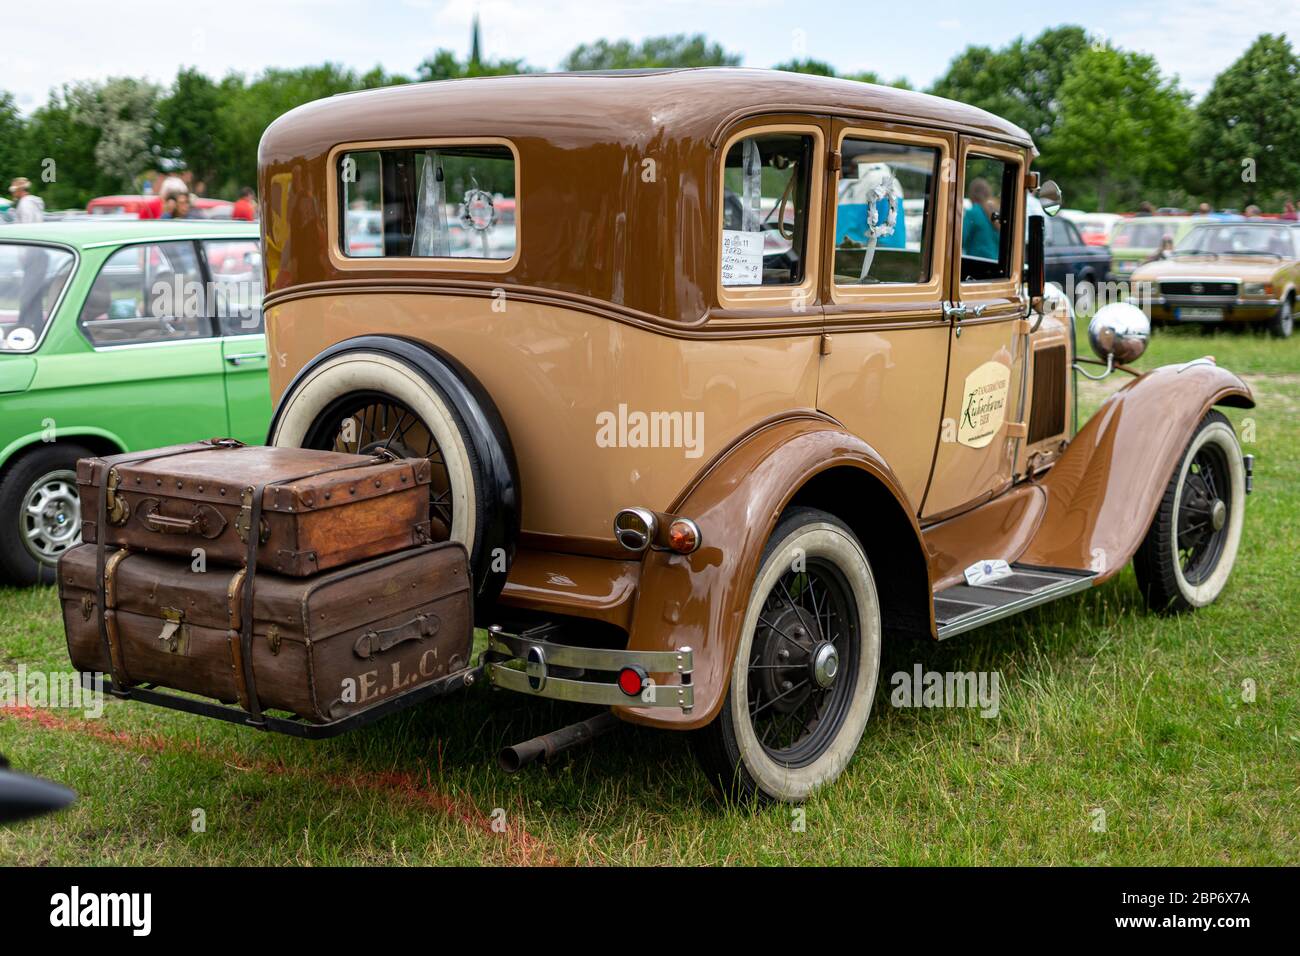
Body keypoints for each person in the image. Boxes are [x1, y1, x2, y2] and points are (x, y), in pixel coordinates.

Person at [961, 177, 1000, 261]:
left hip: (976, 263)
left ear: (972, 194)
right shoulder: (996, 211)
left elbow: (961, 239)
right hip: (996, 263)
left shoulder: (973, 212)